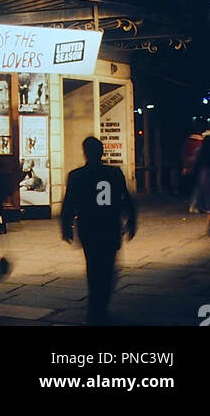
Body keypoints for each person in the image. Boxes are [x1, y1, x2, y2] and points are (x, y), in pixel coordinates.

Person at [61, 135, 137, 325]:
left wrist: (66, 225)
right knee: (108, 267)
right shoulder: (114, 173)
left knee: (93, 266)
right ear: (102, 152)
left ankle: (95, 306)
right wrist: (132, 220)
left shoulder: (76, 175)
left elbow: (69, 203)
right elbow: (126, 198)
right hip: (110, 224)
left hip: (88, 226)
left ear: (85, 153)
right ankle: (100, 305)